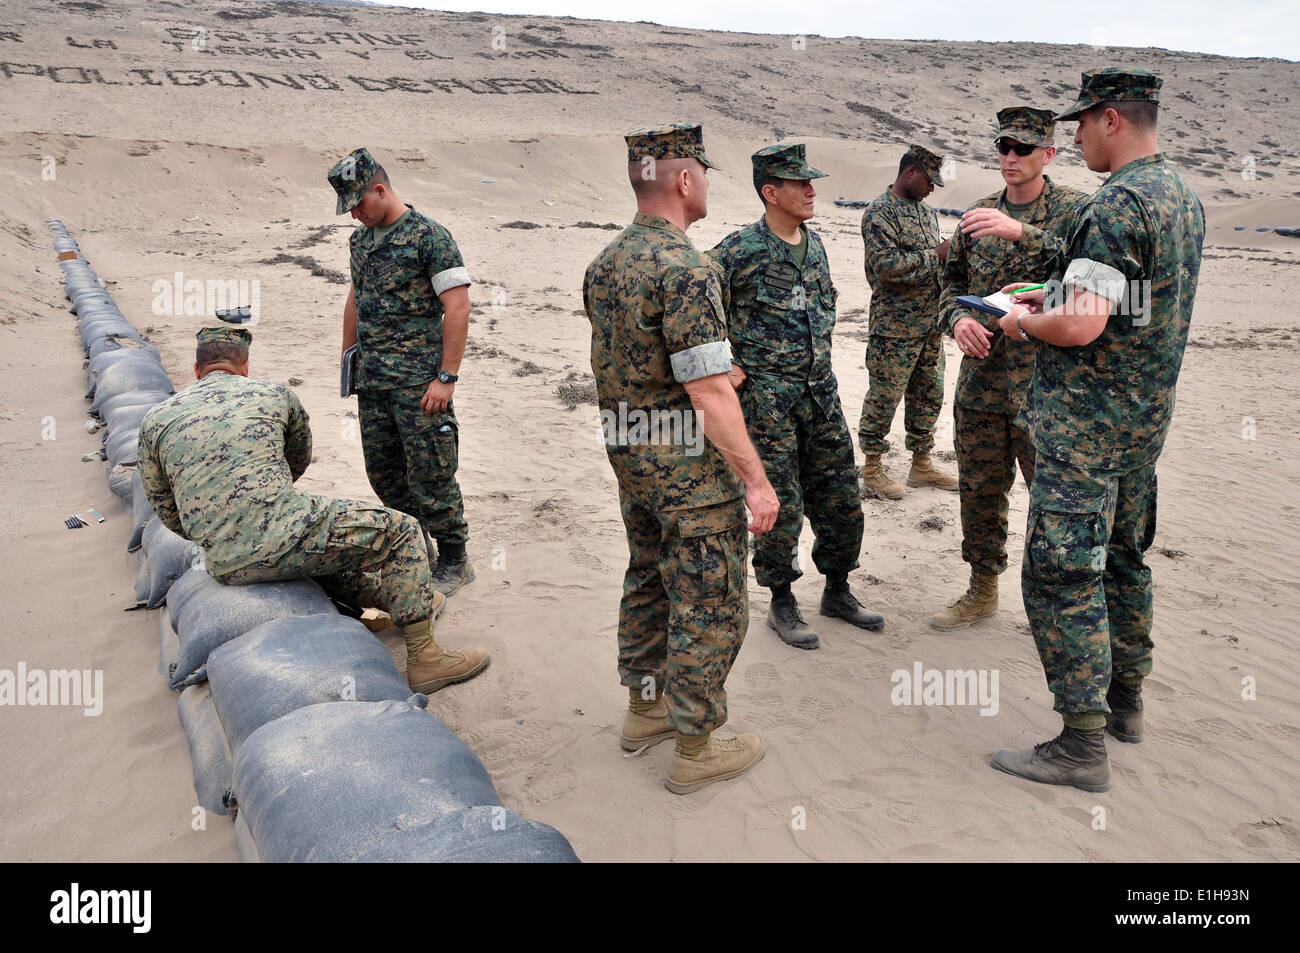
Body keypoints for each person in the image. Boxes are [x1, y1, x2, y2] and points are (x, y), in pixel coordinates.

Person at [989, 68, 1204, 792]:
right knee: (1124, 561)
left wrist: (1022, 322)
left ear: (1112, 118)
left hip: (1084, 432)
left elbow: (1079, 323)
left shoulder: (1116, 206)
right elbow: (1123, 304)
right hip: (1140, 428)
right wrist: (1053, 295)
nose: (1073, 136)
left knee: (1061, 574)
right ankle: (1126, 702)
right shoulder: (1180, 197)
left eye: (1080, 122)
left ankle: (1081, 744)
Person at [584, 122, 780, 795]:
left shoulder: (607, 262)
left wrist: (717, 368)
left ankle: (646, 709)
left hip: (629, 454)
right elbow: (705, 392)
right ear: (686, 180)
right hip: (687, 469)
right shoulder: (688, 268)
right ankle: (695, 745)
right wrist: (755, 480)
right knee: (710, 596)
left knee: (647, 575)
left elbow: (642, 358)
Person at [137, 326, 489, 694]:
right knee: (402, 530)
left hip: (222, 561)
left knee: (314, 554)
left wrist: (218, 528)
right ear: (244, 367)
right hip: (279, 528)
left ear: (197, 371)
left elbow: (164, 506)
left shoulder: (155, 420)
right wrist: (266, 500)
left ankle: (398, 601)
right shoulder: (273, 393)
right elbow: (297, 458)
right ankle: (425, 658)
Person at [709, 143, 883, 650]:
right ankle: (781, 599)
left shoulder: (818, 245)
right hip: (768, 408)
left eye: (812, 182)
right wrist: (725, 363)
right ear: (770, 192)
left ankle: (838, 589)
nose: (811, 191)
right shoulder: (739, 250)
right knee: (779, 507)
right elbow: (695, 306)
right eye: (799, 184)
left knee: (841, 499)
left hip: (821, 399)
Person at [930, 108, 1089, 630]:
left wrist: (1023, 233)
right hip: (981, 384)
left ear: (1050, 154)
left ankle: (1063, 608)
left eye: (1023, 148)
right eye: (1004, 147)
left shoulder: (1075, 211)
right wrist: (956, 322)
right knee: (980, 491)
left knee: (1055, 501)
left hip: (1048, 388)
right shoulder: (976, 214)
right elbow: (946, 288)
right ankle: (982, 589)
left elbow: (1090, 279)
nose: (1011, 157)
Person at [328, 147, 475, 596]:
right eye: (348, 207)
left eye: (359, 203)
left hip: (419, 383)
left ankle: (455, 558)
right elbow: (356, 298)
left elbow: (458, 305)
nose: (354, 214)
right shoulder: (361, 242)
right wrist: (348, 360)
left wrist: (446, 378)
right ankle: (419, 548)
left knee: (430, 471)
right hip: (374, 381)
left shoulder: (429, 237)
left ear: (380, 188)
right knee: (385, 473)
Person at [857, 144, 959, 499]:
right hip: (894, 328)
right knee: (884, 397)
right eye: (929, 180)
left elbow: (931, 258)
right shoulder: (879, 213)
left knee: (929, 395)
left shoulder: (926, 213)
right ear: (910, 172)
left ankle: (922, 464)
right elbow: (887, 267)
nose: (932, 188)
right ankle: (872, 467)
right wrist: (936, 255)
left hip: (929, 325)